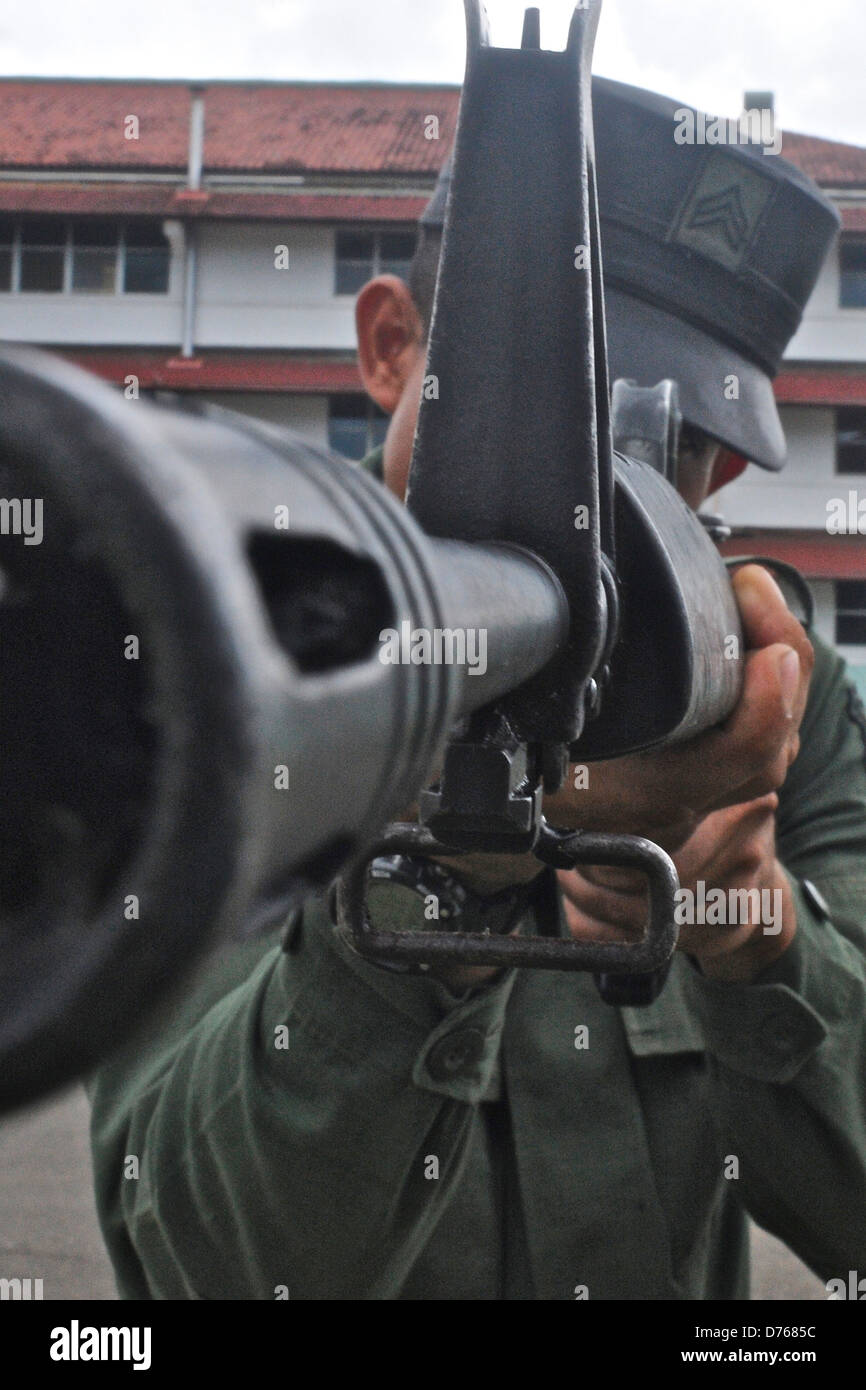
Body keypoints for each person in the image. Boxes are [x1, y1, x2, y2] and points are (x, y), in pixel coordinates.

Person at [87, 80, 866, 1299]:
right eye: (560, 401)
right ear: (392, 348)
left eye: (683, 445)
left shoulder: (773, 704)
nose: (625, 489)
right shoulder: (221, 680)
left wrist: (752, 934)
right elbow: (197, 1250)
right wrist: (438, 894)